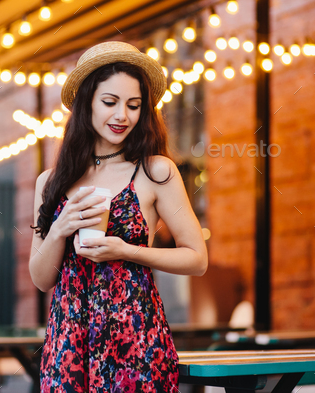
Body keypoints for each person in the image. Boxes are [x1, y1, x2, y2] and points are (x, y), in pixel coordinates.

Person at [29, 41, 208, 392]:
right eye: (110, 102)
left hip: (136, 341)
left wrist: (126, 251)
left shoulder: (156, 171)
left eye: (134, 105)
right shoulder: (50, 182)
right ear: (87, 103)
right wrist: (59, 230)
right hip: (68, 344)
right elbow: (41, 279)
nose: (122, 116)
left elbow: (197, 259)